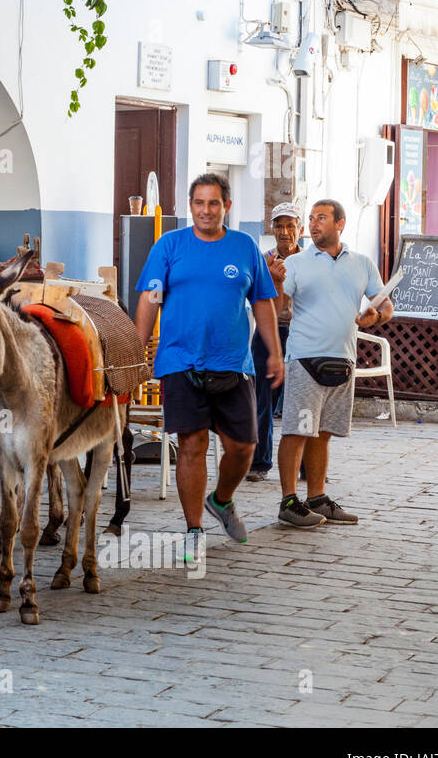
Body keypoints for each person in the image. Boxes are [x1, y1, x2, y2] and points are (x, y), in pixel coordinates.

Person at [134, 173, 283, 561]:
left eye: (213, 203)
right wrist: (137, 351)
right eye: (199, 203)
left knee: (244, 447)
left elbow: (264, 301)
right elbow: (151, 299)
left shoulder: (244, 247)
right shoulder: (169, 246)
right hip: (180, 360)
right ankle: (194, 529)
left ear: (226, 207)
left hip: (233, 363)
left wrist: (275, 353)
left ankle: (222, 499)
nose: (205, 210)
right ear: (190, 206)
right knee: (192, 444)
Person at [274, 199, 393, 526]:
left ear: (340, 223)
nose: (313, 224)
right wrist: (275, 280)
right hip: (304, 358)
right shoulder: (296, 263)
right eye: (311, 219)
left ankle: (317, 498)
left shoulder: (362, 263)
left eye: (321, 218)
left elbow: (385, 306)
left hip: (343, 359)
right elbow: (279, 307)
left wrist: (375, 316)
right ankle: (287, 502)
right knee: (297, 430)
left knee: (323, 433)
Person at [247, 203, 302, 482]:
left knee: (301, 401)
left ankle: (304, 466)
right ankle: (260, 462)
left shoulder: (309, 261)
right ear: (272, 229)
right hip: (268, 335)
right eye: (279, 226)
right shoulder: (262, 260)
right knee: (262, 400)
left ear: (299, 229)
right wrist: (271, 278)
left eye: (290, 225)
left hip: (301, 336)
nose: (284, 231)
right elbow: (259, 300)